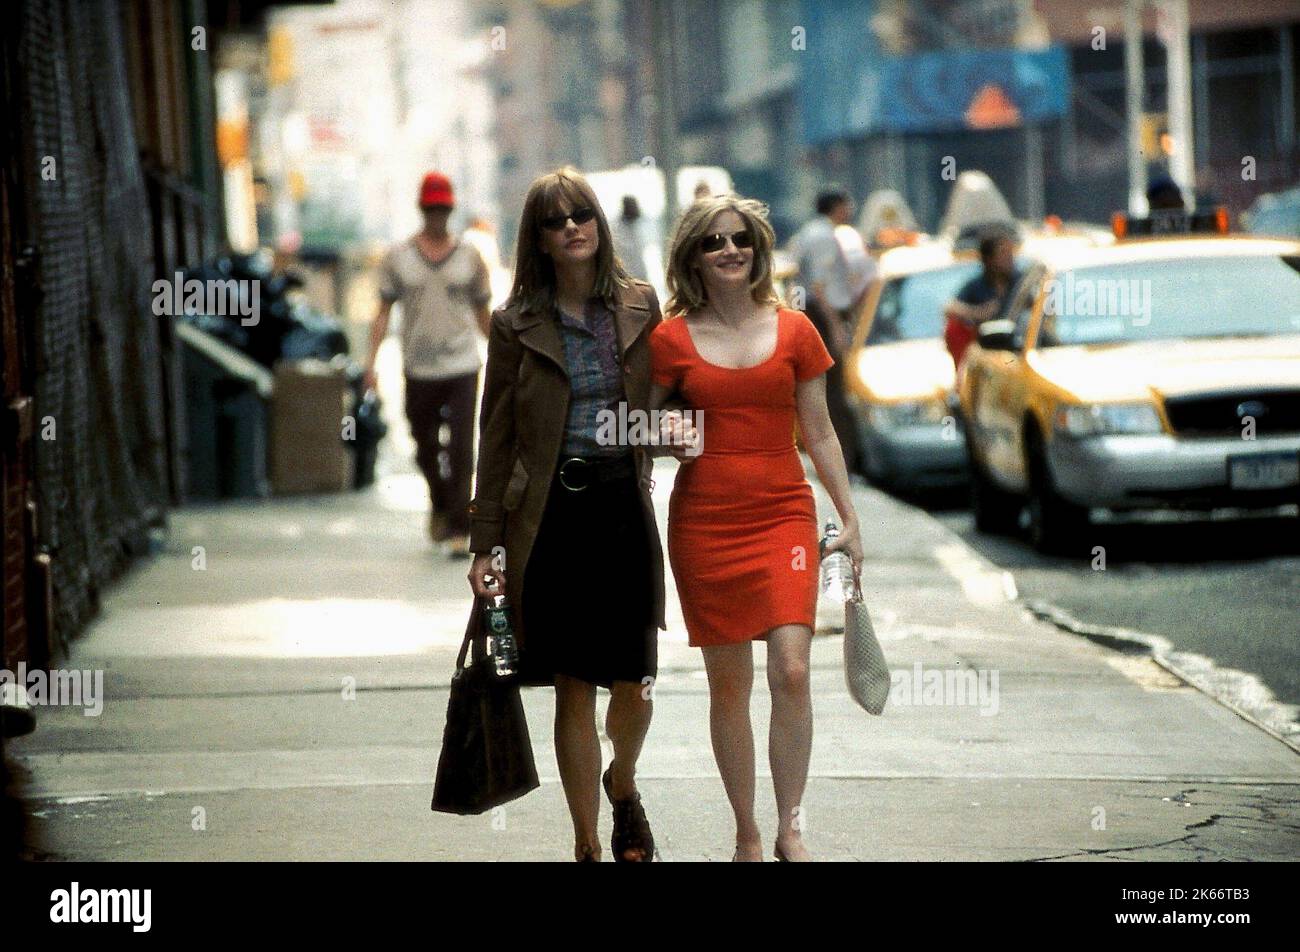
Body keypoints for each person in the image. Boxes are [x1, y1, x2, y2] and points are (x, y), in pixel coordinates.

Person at [466, 166, 690, 862]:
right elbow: (495, 437)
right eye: (555, 221)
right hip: (549, 517)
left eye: (581, 216)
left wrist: (683, 431)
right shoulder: (515, 324)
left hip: (622, 505)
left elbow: (673, 395)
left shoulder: (638, 305)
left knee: (636, 680)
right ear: (537, 237)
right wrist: (486, 547)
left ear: (598, 225)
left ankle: (622, 781)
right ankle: (588, 841)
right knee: (572, 685)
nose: (571, 228)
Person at [649, 194, 864, 862]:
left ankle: (789, 826)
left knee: (792, 671)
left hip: (784, 515)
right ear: (693, 257)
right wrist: (667, 431)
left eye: (740, 238)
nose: (730, 250)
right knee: (729, 684)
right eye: (713, 242)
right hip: (705, 521)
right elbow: (632, 428)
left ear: (758, 247)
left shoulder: (797, 330)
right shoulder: (669, 340)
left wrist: (850, 518)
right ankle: (745, 831)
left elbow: (820, 431)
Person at [365, 172, 492, 556]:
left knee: (460, 448)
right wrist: (370, 364)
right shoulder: (399, 258)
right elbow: (383, 312)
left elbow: (483, 312)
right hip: (418, 367)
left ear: (450, 210)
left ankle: (458, 526)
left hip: (462, 365)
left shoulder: (470, 257)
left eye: (443, 208)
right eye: (432, 208)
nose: (438, 215)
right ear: (422, 210)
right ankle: (439, 501)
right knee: (422, 444)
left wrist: (507, 357)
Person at [789, 188, 862, 474]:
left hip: (820, 313)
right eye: (847, 204)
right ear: (837, 206)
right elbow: (820, 287)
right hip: (822, 315)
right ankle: (841, 463)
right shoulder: (822, 237)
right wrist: (834, 327)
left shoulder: (813, 232)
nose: (851, 209)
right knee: (833, 394)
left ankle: (839, 463)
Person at [943, 229, 1021, 372]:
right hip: (989, 357)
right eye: (1003, 253)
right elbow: (950, 308)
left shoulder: (1020, 282)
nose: (1009, 258)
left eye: (1010, 252)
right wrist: (979, 312)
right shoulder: (977, 286)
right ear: (989, 259)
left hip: (1019, 352)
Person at [612, 195, 650, 281]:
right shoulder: (616, 229)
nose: (636, 209)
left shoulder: (638, 227)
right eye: (633, 207)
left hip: (640, 276)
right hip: (624, 278)